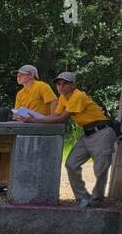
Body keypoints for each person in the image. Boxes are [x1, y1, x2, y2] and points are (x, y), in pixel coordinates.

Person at [40, 71, 117, 208]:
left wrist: (34, 119)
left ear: (73, 85)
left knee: (101, 168)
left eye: (65, 83)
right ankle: (83, 197)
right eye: (58, 84)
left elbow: (61, 119)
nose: (61, 87)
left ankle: (97, 200)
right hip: (86, 133)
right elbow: (56, 115)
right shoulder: (63, 98)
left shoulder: (78, 95)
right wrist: (34, 119)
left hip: (102, 133)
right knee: (71, 163)